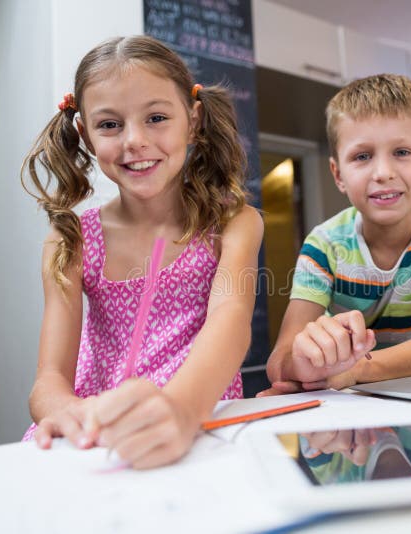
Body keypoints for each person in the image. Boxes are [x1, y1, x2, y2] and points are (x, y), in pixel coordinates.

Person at [19, 35, 263, 469]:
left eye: (156, 117)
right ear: (85, 135)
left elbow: (231, 322)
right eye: (110, 124)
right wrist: (63, 412)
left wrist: (181, 410)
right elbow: (50, 378)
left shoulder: (233, 223)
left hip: (197, 420)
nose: (134, 140)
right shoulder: (70, 239)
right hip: (100, 439)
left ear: (193, 119)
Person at [261, 74, 411, 395]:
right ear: (339, 175)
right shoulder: (325, 244)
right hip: (354, 418)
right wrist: (307, 363)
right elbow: (279, 360)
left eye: (402, 152)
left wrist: (357, 368)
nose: (383, 173)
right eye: (362, 156)